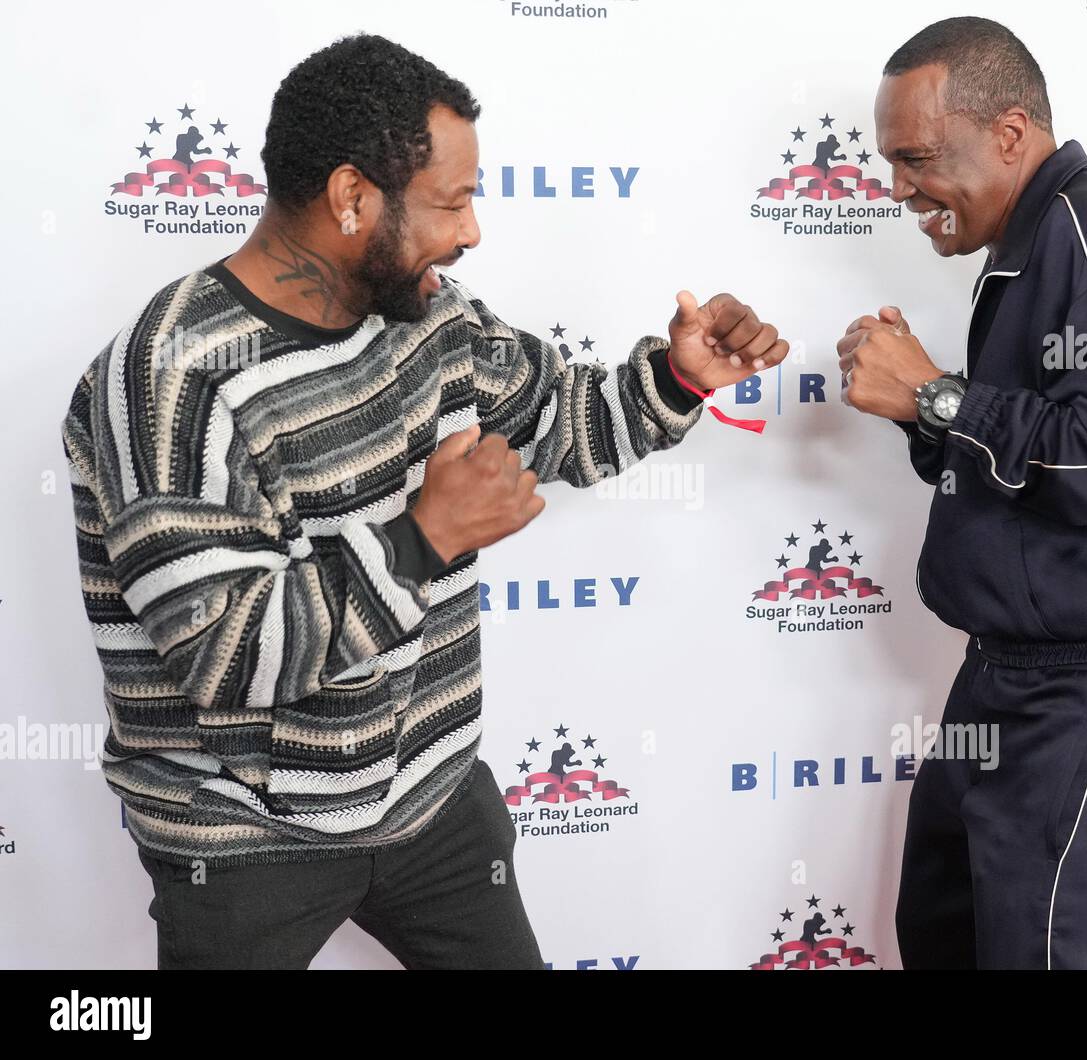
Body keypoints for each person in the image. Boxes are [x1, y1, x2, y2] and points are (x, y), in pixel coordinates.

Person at [62, 33, 787, 970]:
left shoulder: (435, 318)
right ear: (352, 197)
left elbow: (557, 421)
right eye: (451, 202)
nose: (472, 230)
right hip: (243, 843)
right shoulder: (169, 379)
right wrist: (424, 537)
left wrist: (677, 381)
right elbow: (226, 655)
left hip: (433, 801)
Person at [838, 17, 1087, 969]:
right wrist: (923, 412)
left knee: (1039, 954)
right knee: (945, 931)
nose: (899, 189)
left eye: (918, 158)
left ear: (1009, 135)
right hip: (1011, 667)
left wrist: (939, 393)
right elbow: (1033, 461)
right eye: (890, 162)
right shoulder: (1035, 243)